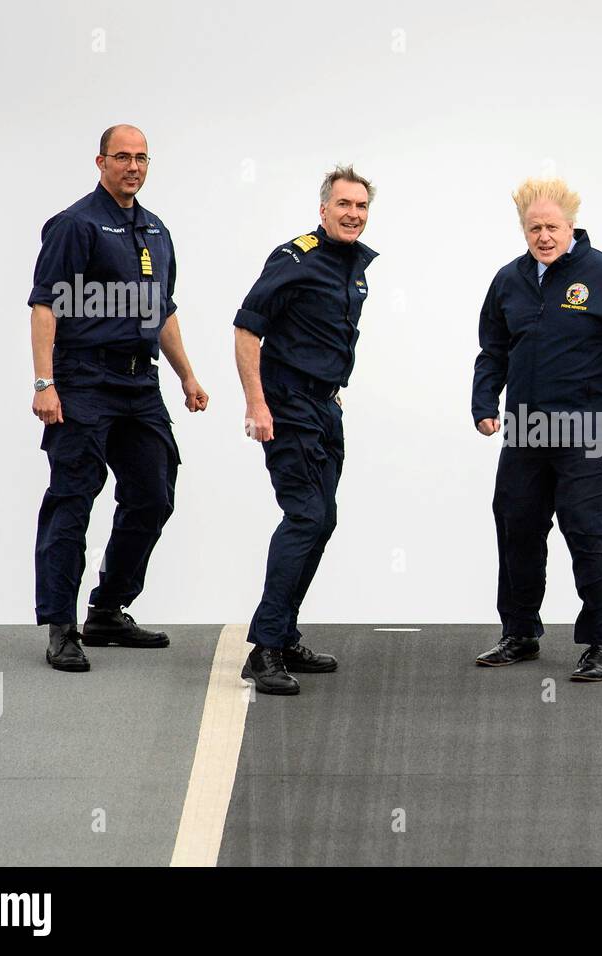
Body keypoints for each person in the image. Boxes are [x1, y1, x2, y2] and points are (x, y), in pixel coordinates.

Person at [29, 124, 209, 673]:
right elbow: (44, 307)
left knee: (154, 494)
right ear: (101, 162)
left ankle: (107, 610)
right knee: (74, 499)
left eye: (142, 158)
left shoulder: (155, 230)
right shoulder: (75, 225)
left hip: (140, 384)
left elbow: (163, 311)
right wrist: (44, 384)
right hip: (82, 381)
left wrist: (187, 376)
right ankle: (61, 627)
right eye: (122, 157)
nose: (133, 166)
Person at [471, 177, 602, 682]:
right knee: (516, 525)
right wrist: (484, 402)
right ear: (523, 230)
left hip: (586, 426)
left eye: (552, 227)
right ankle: (520, 632)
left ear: (571, 225)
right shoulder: (508, 280)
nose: (544, 237)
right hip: (527, 427)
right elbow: (492, 350)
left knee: (583, 526)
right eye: (534, 228)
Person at [233, 167, 377, 696]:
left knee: (324, 517)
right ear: (323, 210)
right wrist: (257, 404)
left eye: (361, 206)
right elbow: (247, 327)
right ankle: (265, 649)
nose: (352, 214)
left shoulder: (353, 266)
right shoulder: (295, 258)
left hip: (323, 406)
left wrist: (331, 393)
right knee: (306, 514)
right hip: (286, 405)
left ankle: (285, 634)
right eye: (343, 204)